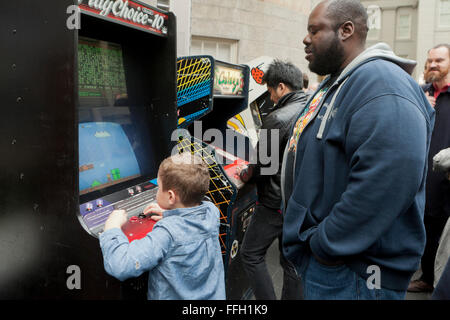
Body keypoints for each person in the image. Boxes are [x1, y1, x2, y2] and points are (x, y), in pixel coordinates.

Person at [281, 0, 434, 300]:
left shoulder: (382, 84)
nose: (306, 39)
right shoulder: (339, 83)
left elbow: (389, 180)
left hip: (356, 273)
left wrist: (326, 245)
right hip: (337, 266)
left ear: (346, 30)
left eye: (315, 30)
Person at [99, 153, 226, 300]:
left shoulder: (167, 233)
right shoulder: (212, 211)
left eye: (159, 187)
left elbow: (121, 265)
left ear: (171, 197)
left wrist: (112, 228)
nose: (157, 191)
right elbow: (189, 219)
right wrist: (171, 213)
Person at [238, 59, 307, 300]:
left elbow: (263, 167)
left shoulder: (277, 118)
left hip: (274, 201)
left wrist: (244, 173)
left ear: (280, 87)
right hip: (299, 199)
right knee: (291, 262)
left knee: (250, 254)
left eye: (270, 92)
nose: (271, 99)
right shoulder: (311, 107)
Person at [408, 44, 450, 293]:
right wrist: (419, 105)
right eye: (430, 61)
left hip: (446, 178)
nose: (433, 65)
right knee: (426, 230)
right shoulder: (419, 93)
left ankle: (441, 283)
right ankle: (427, 278)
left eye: (439, 60)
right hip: (421, 178)